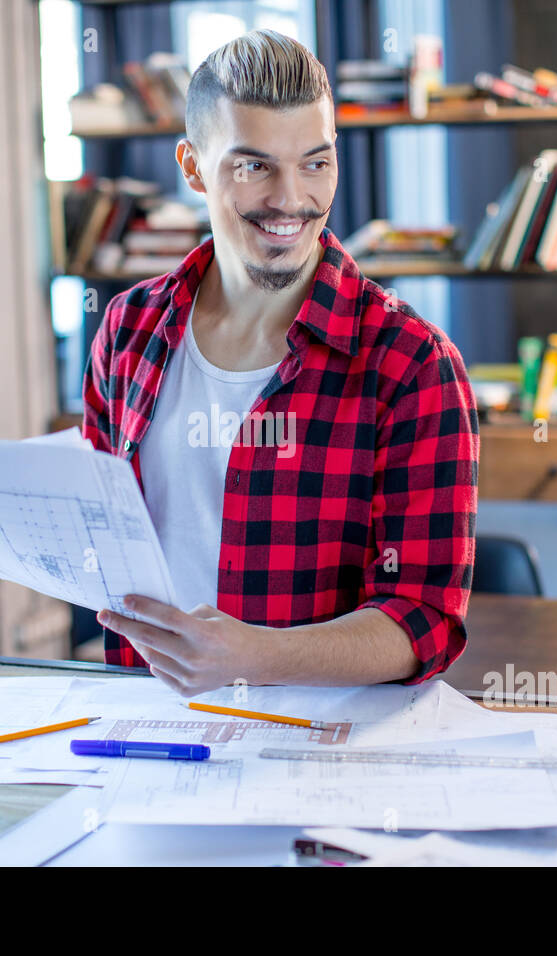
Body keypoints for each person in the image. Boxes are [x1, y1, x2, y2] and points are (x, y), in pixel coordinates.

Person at [83, 29, 479, 696]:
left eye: (315, 163)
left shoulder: (412, 364)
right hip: (143, 721)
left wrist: (257, 656)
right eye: (253, 166)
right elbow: (97, 532)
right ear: (191, 167)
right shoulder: (129, 330)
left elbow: (427, 619)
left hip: (321, 747)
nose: (291, 199)